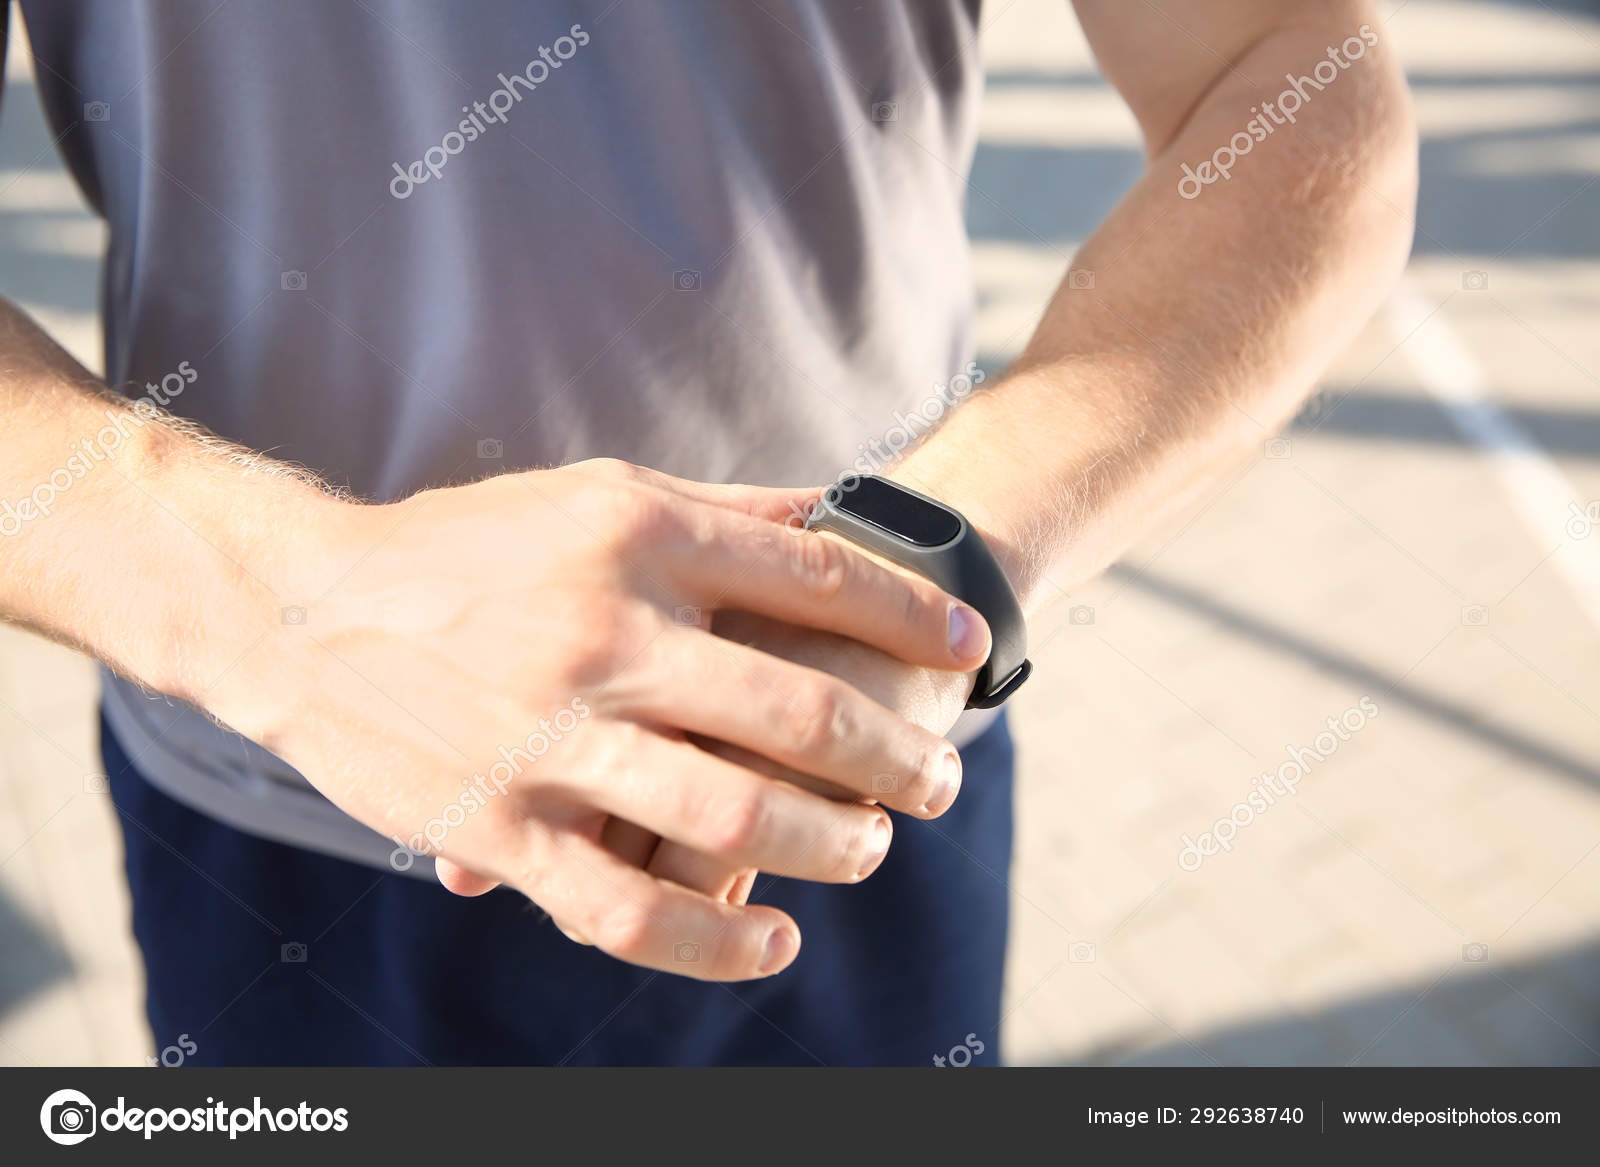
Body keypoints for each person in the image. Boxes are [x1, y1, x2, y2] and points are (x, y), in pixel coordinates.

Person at [0, 0, 1416, 1065]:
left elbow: (1292, 81)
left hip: (834, 762)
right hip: (272, 799)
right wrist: (290, 605)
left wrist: (921, 564)